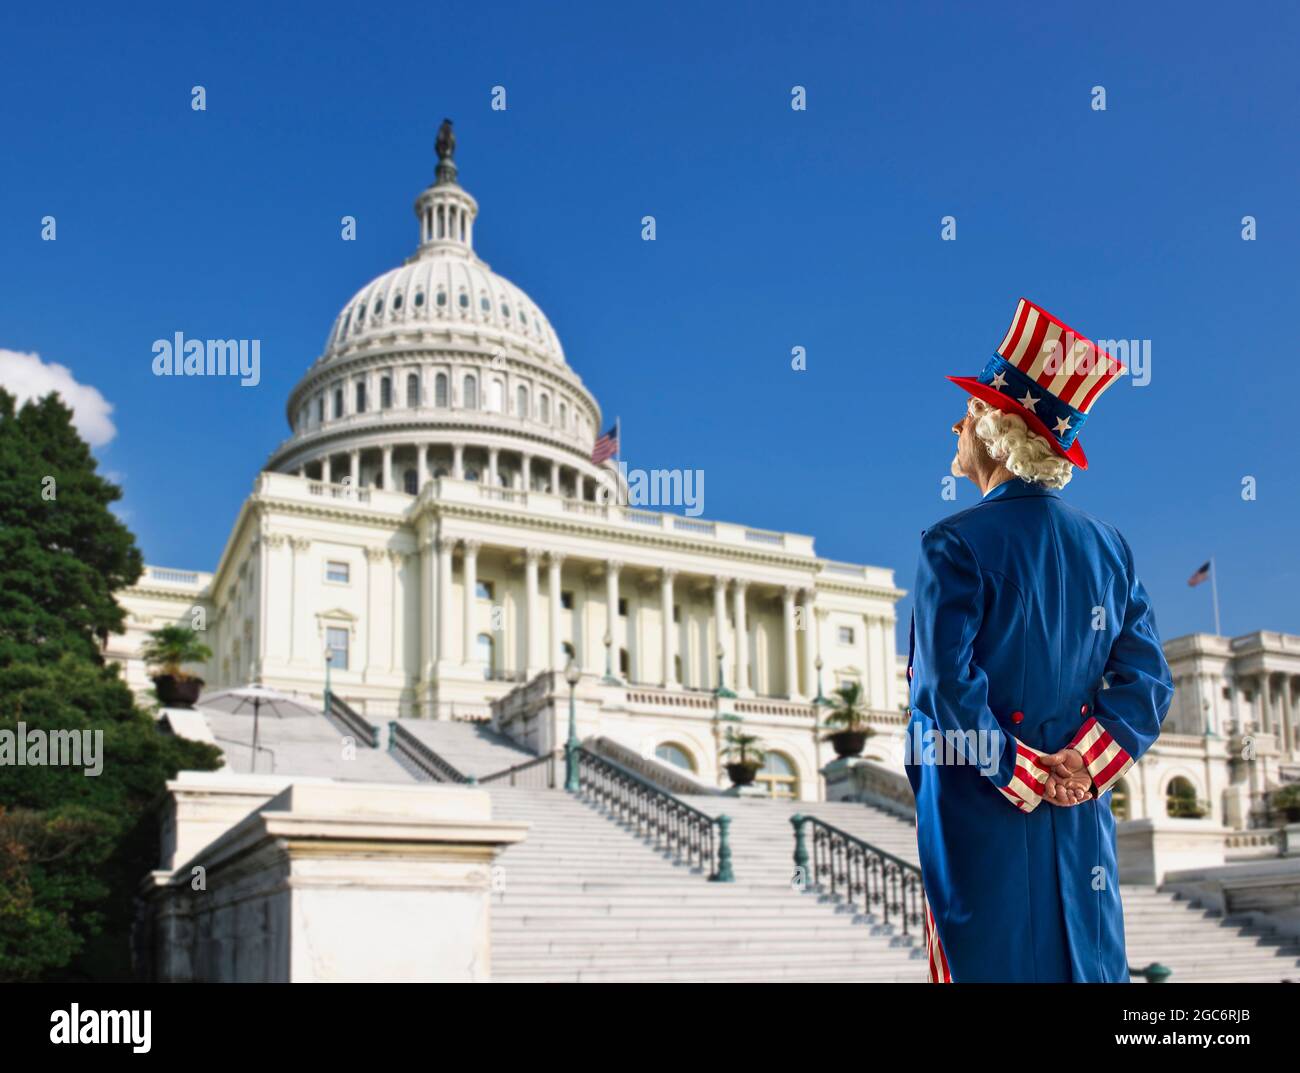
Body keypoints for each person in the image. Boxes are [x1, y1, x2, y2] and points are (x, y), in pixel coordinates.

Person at [904, 298, 1174, 983]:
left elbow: (944, 691)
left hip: (981, 814)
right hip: (1079, 821)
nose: (955, 425)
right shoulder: (1110, 547)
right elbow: (1148, 683)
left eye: (968, 416)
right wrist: (1081, 768)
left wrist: (1022, 774)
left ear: (997, 436)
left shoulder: (952, 543)